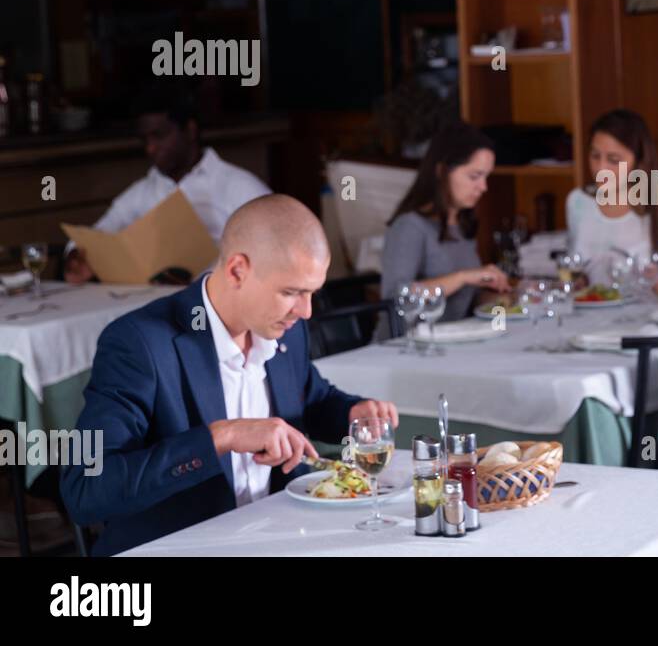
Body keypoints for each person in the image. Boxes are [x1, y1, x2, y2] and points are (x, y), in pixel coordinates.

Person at [61, 194, 399, 556]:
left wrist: (351, 412)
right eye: (291, 292)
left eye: (312, 293)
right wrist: (223, 436)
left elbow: (310, 397)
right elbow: (86, 490)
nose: (306, 311)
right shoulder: (139, 344)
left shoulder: (284, 329)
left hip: (278, 538)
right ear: (238, 270)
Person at [64, 85, 270, 283]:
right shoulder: (142, 192)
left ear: (190, 130)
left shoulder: (239, 187)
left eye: (159, 136)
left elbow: (274, 252)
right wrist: (77, 254)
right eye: (144, 139)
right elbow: (98, 233)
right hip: (152, 306)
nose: (150, 148)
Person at [381, 121, 511, 323]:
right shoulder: (409, 226)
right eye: (474, 176)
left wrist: (506, 297)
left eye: (486, 177)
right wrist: (462, 277)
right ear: (442, 171)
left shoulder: (461, 225)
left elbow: (465, 302)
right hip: (403, 345)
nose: (483, 187)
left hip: (451, 341)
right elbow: (397, 298)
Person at [565, 109, 658, 300]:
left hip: (648, 324)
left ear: (638, 162)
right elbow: (574, 268)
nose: (600, 168)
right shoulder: (578, 202)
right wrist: (576, 282)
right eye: (595, 156)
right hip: (589, 322)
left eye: (613, 160)